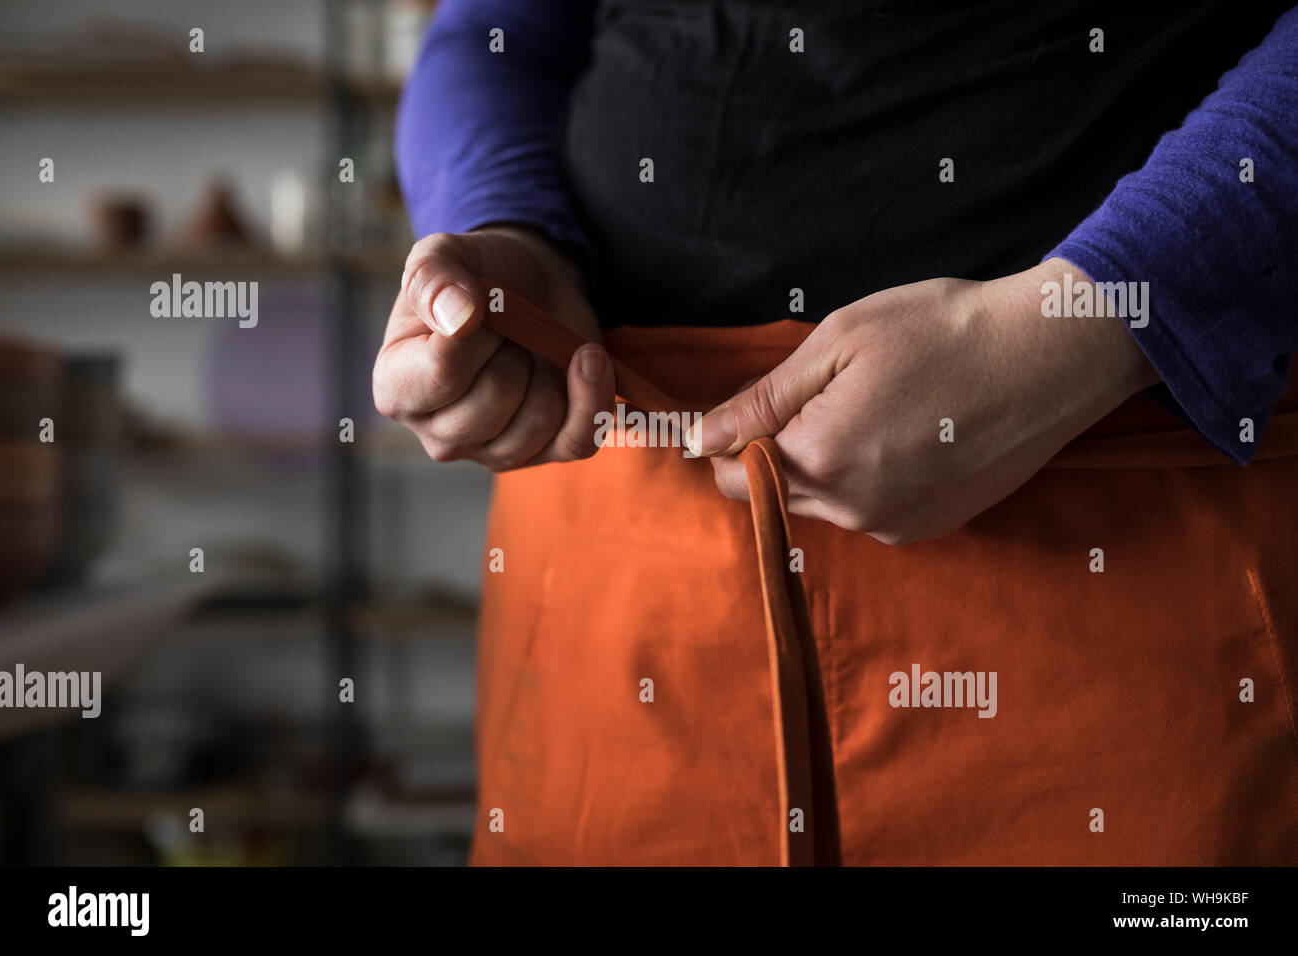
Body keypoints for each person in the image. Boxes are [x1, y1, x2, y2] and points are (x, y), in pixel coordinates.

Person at [374, 0, 1298, 865]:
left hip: (1134, 545)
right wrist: (505, 227)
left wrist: (1095, 316)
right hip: (618, 571)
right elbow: (495, 32)